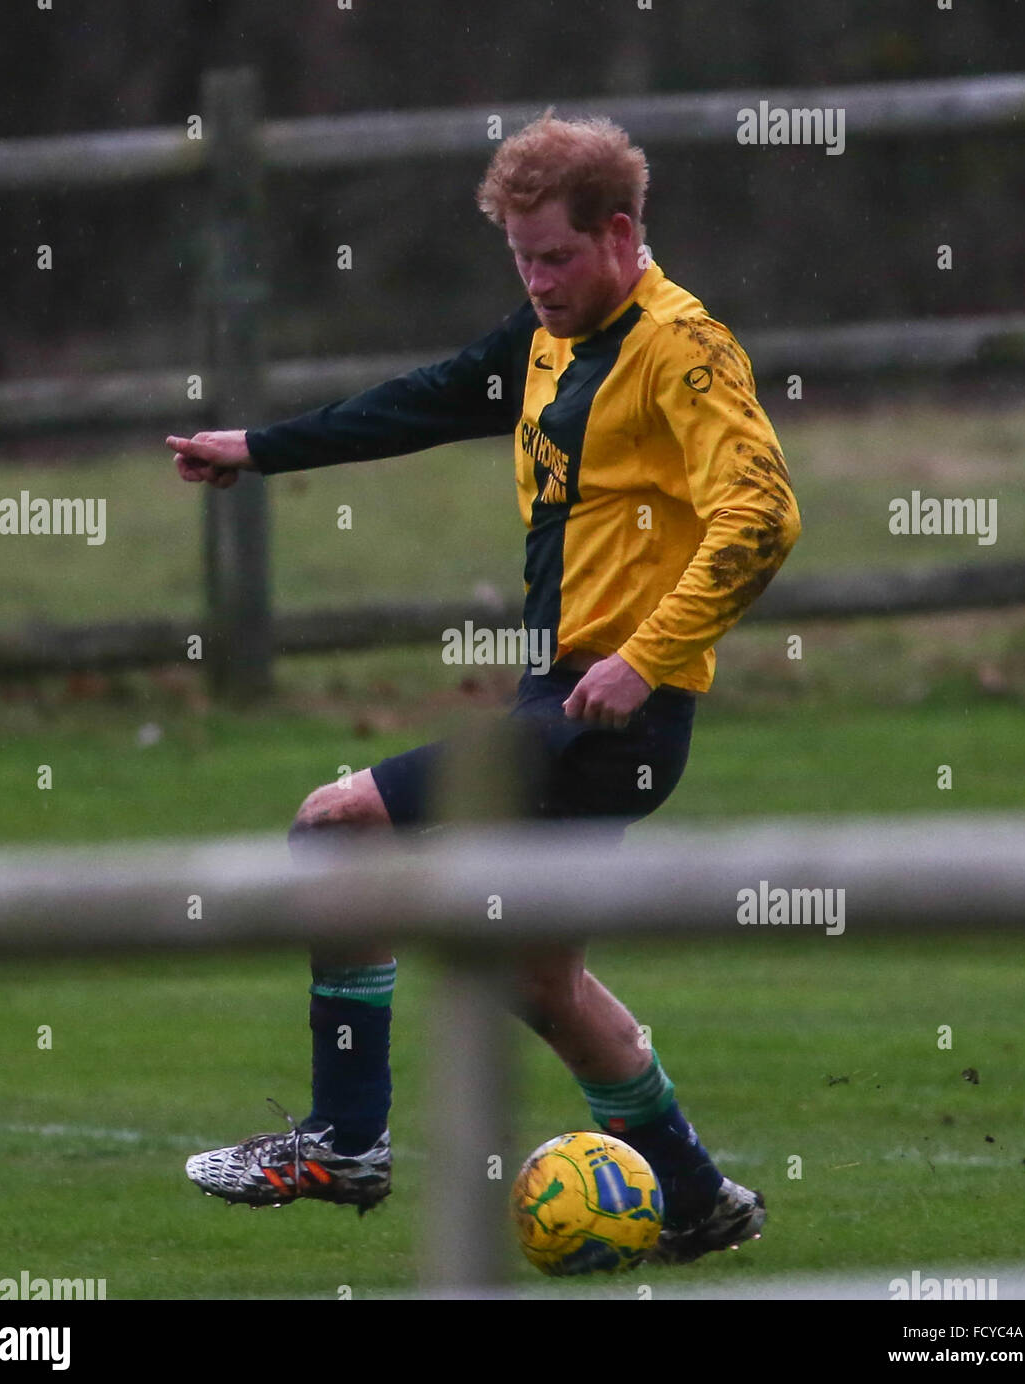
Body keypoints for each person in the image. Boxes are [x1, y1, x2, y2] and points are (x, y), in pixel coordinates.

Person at [168, 111, 800, 1264]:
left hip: (607, 718)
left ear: (619, 234)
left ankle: (346, 1139)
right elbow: (426, 396)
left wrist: (643, 656)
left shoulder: (683, 350)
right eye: (518, 258)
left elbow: (761, 516)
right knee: (534, 972)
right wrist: (258, 447)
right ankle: (697, 1199)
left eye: (554, 257)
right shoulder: (549, 339)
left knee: (336, 826)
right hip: (561, 709)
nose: (537, 280)